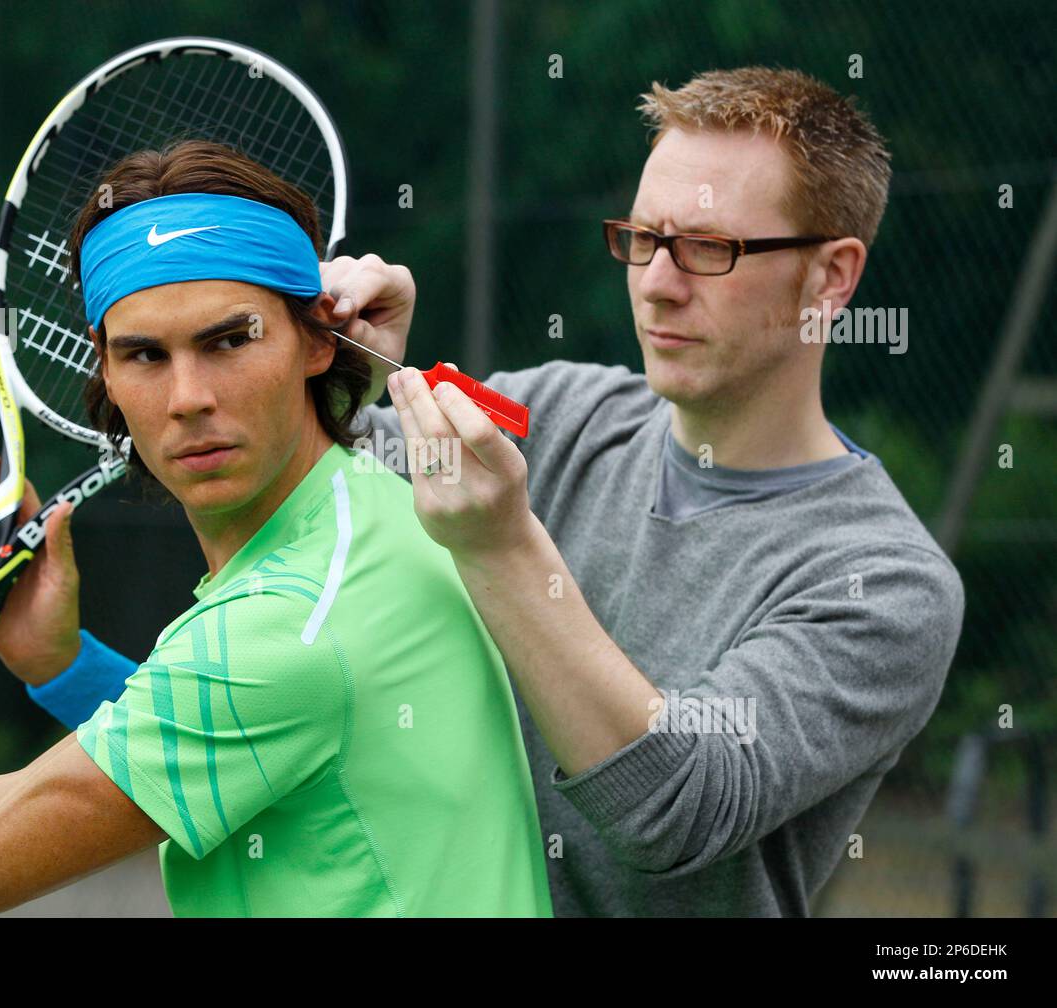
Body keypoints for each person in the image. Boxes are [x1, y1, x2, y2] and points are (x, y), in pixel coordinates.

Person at [0, 140, 552, 918]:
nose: (187, 397)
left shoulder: (285, 628)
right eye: (144, 355)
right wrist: (64, 664)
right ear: (105, 372)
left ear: (316, 340)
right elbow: (240, 743)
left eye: (228, 340)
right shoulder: (376, 509)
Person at [337, 67, 965, 916]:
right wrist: (344, 376)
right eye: (643, 237)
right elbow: (308, 488)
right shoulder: (554, 412)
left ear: (830, 279)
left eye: (711, 249)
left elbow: (674, 807)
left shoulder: (887, 582)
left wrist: (502, 547)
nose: (657, 283)